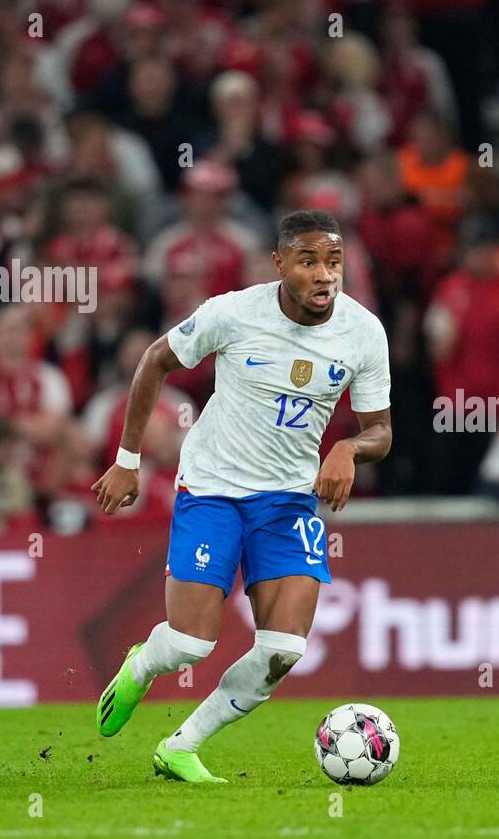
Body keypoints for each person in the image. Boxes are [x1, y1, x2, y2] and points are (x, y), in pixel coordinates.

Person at [91, 210, 392, 783]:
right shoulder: (231, 313)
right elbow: (155, 359)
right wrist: (127, 463)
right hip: (213, 490)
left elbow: (381, 429)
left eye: (334, 262)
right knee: (189, 644)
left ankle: (181, 746)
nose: (325, 275)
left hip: (287, 503)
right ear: (279, 264)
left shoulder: (363, 331)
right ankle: (144, 662)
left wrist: (349, 449)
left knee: (283, 650)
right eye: (308, 261)